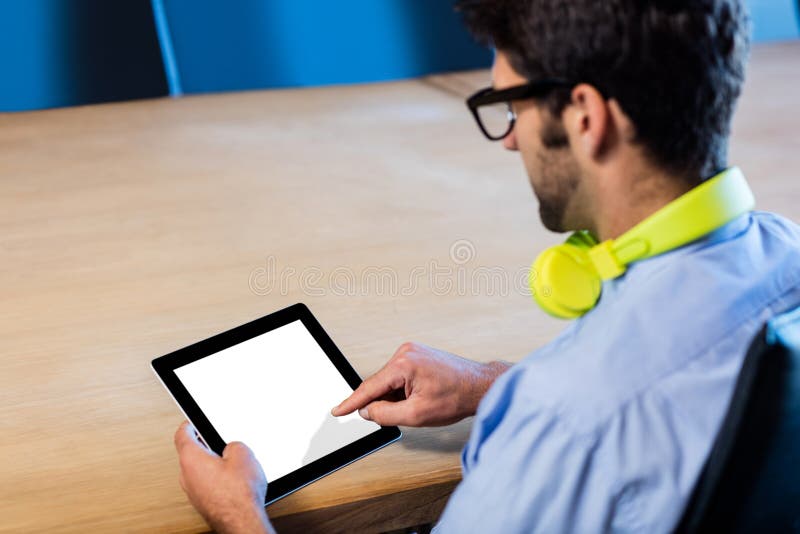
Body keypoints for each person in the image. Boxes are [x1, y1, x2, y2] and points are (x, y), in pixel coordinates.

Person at [172, 0, 800, 532]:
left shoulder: (560, 426)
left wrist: (240, 517)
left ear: (586, 117)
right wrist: (493, 385)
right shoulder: (786, 257)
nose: (509, 139)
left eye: (512, 108)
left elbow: (591, 419)